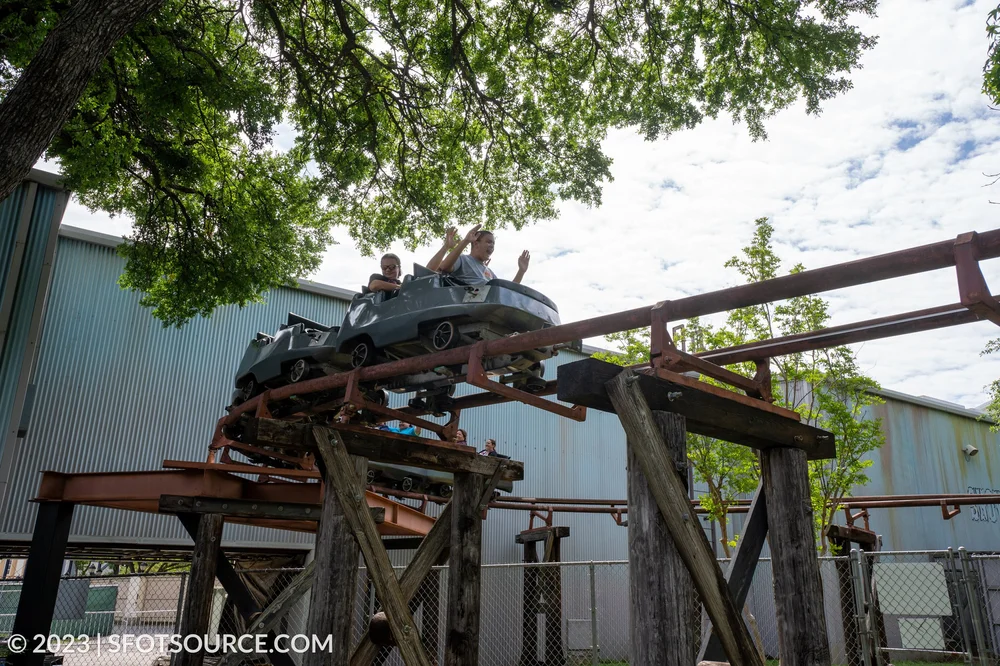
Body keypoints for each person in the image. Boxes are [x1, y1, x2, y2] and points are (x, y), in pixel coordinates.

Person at [436, 224, 530, 285]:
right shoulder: (463, 259)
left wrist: (521, 271)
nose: (492, 246)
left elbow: (506, 291)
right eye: (489, 242)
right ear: (476, 243)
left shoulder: (490, 272)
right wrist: (465, 241)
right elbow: (444, 267)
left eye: (493, 243)